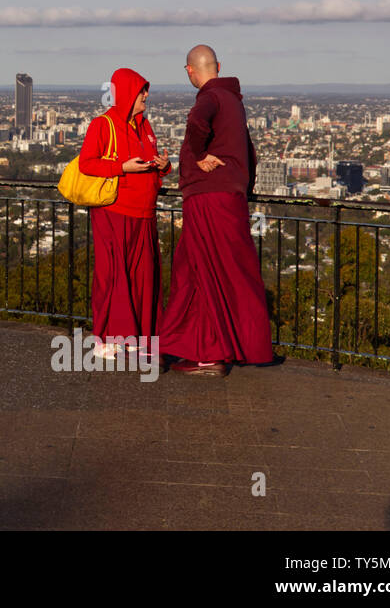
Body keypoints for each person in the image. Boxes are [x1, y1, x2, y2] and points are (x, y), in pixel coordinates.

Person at [160, 45, 275, 376]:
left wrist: (196, 155)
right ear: (218, 66)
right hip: (231, 197)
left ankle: (212, 354)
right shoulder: (234, 103)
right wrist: (243, 186)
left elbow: (197, 122)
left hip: (209, 198)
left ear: (189, 71)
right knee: (205, 270)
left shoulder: (209, 98)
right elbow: (249, 153)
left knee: (206, 270)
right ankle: (202, 349)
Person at [78, 68, 171, 360]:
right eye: (142, 91)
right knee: (113, 272)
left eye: (146, 90)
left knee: (143, 275)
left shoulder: (146, 126)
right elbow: (86, 164)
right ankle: (105, 336)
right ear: (128, 93)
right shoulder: (103, 125)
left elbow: (155, 167)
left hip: (144, 211)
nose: (146, 96)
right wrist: (122, 168)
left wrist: (163, 165)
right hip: (114, 210)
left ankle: (138, 337)